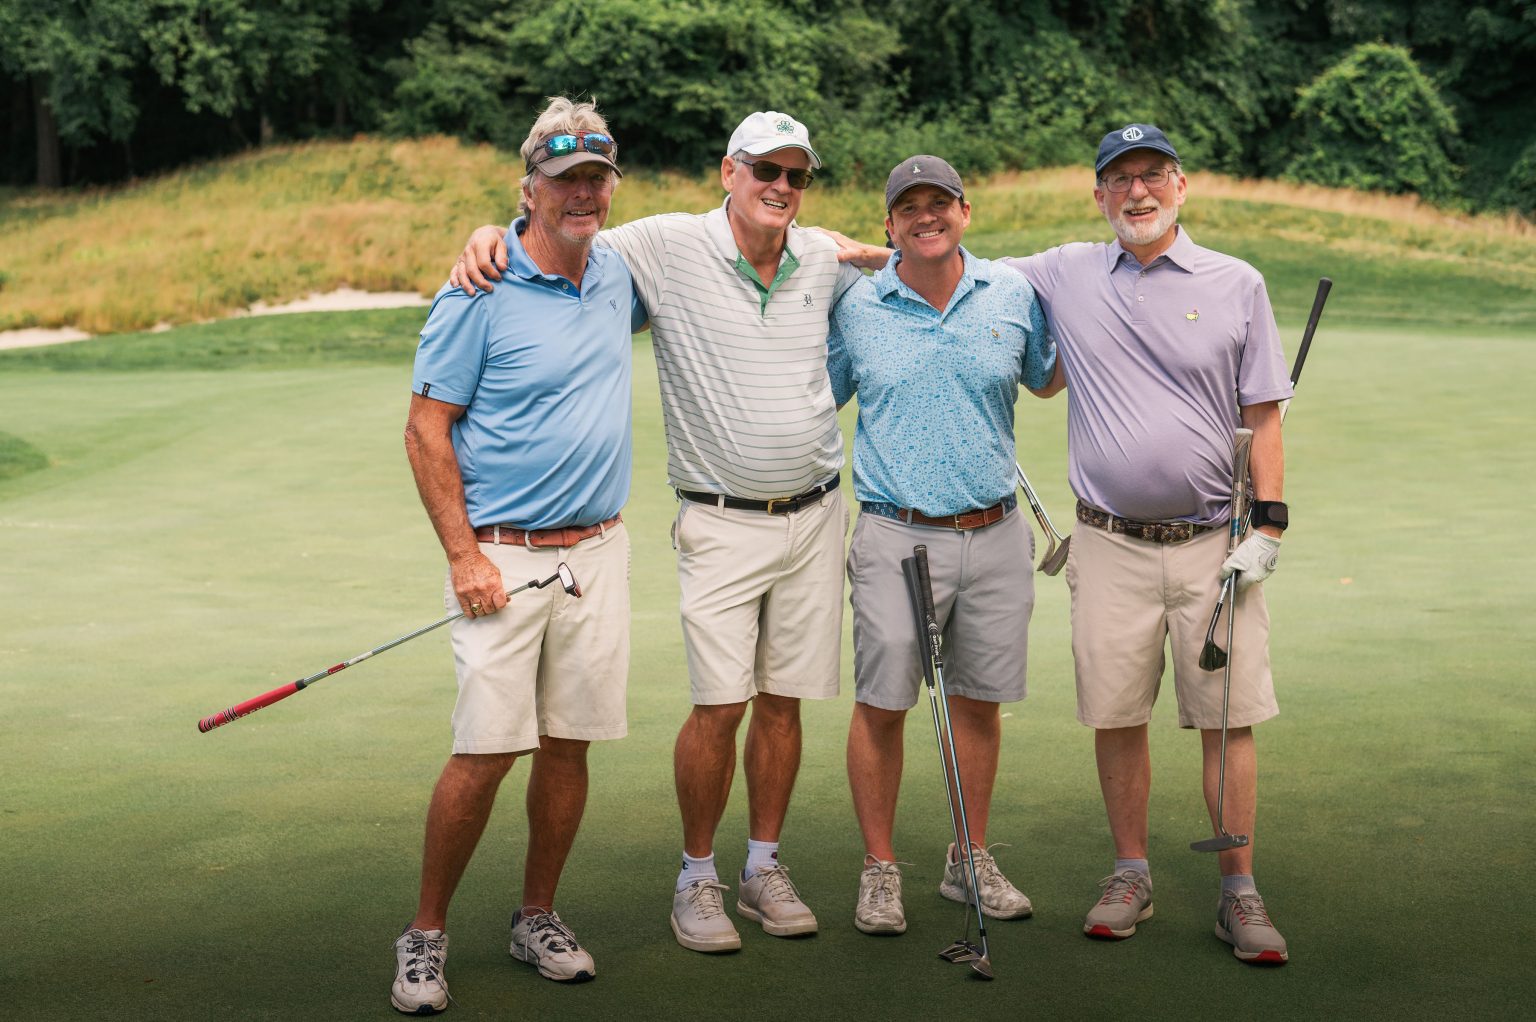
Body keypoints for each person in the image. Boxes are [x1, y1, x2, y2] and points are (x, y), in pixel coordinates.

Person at [828, 124, 1294, 964]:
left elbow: (1262, 410)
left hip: (1205, 542)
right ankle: (1127, 875)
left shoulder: (1233, 282)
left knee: (1225, 719)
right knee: (1112, 716)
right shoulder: (1056, 272)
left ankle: (1240, 891)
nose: (1138, 194)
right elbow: (930, 272)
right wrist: (834, 248)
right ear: (1099, 196)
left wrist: (1269, 523)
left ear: (1180, 186)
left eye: (1152, 177)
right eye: (1120, 181)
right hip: (1096, 540)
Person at [448, 111, 862, 954]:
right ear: (728, 172)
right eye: (764, 171)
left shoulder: (821, 256)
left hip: (818, 513)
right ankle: (697, 877)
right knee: (719, 705)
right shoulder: (659, 246)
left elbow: (895, 265)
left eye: (795, 175)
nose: (780, 187)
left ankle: (763, 866)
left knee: (783, 703)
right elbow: (554, 228)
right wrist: (487, 231)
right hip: (718, 517)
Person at [392, 97, 645, 1015]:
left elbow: (730, 244)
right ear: (529, 187)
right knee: (487, 750)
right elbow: (427, 429)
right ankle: (424, 933)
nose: (583, 194)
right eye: (565, 179)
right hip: (501, 554)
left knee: (568, 744)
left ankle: (536, 913)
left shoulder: (618, 273)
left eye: (596, 179)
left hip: (598, 551)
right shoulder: (478, 288)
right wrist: (464, 557)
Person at [827, 156, 1060, 937]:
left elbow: (1048, 377)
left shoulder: (1011, 292)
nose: (926, 216)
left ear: (966, 211)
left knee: (979, 702)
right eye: (909, 208)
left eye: (940, 203)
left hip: (994, 531)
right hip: (896, 528)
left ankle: (969, 857)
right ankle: (880, 868)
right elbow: (815, 393)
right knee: (884, 702)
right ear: (888, 224)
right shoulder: (858, 304)